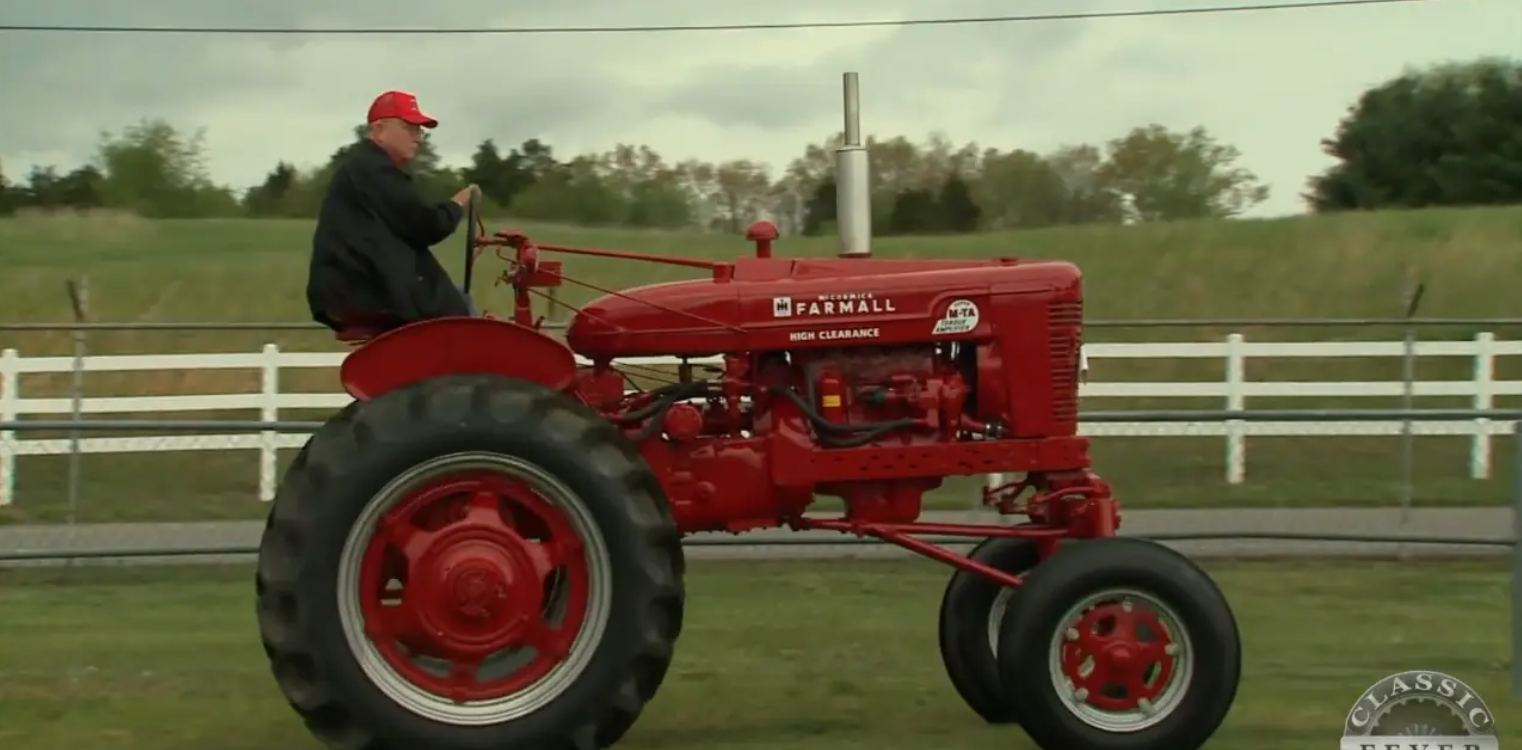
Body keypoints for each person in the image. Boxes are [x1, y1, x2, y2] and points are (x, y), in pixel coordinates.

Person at [306, 90, 480, 335]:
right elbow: (426, 225)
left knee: (458, 296)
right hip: (366, 290)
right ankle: (474, 367)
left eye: (420, 130)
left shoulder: (366, 169)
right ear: (379, 129)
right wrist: (457, 205)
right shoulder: (376, 170)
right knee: (461, 308)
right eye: (409, 127)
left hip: (354, 287)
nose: (418, 138)